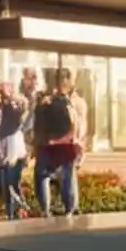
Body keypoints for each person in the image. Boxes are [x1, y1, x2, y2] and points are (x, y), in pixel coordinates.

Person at [33, 68, 81, 217]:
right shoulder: (63, 101)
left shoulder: (54, 101)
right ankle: (67, 207)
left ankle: (53, 208)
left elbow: (74, 124)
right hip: (60, 143)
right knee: (65, 175)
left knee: (48, 174)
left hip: (55, 143)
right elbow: (74, 123)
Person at [0, 81, 29, 220]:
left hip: (13, 146)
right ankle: (13, 209)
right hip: (4, 144)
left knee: (10, 180)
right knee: (6, 180)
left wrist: (11, 97)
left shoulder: (15, 107)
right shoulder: (0, 106)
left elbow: (23, 108)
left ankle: (19, 208)